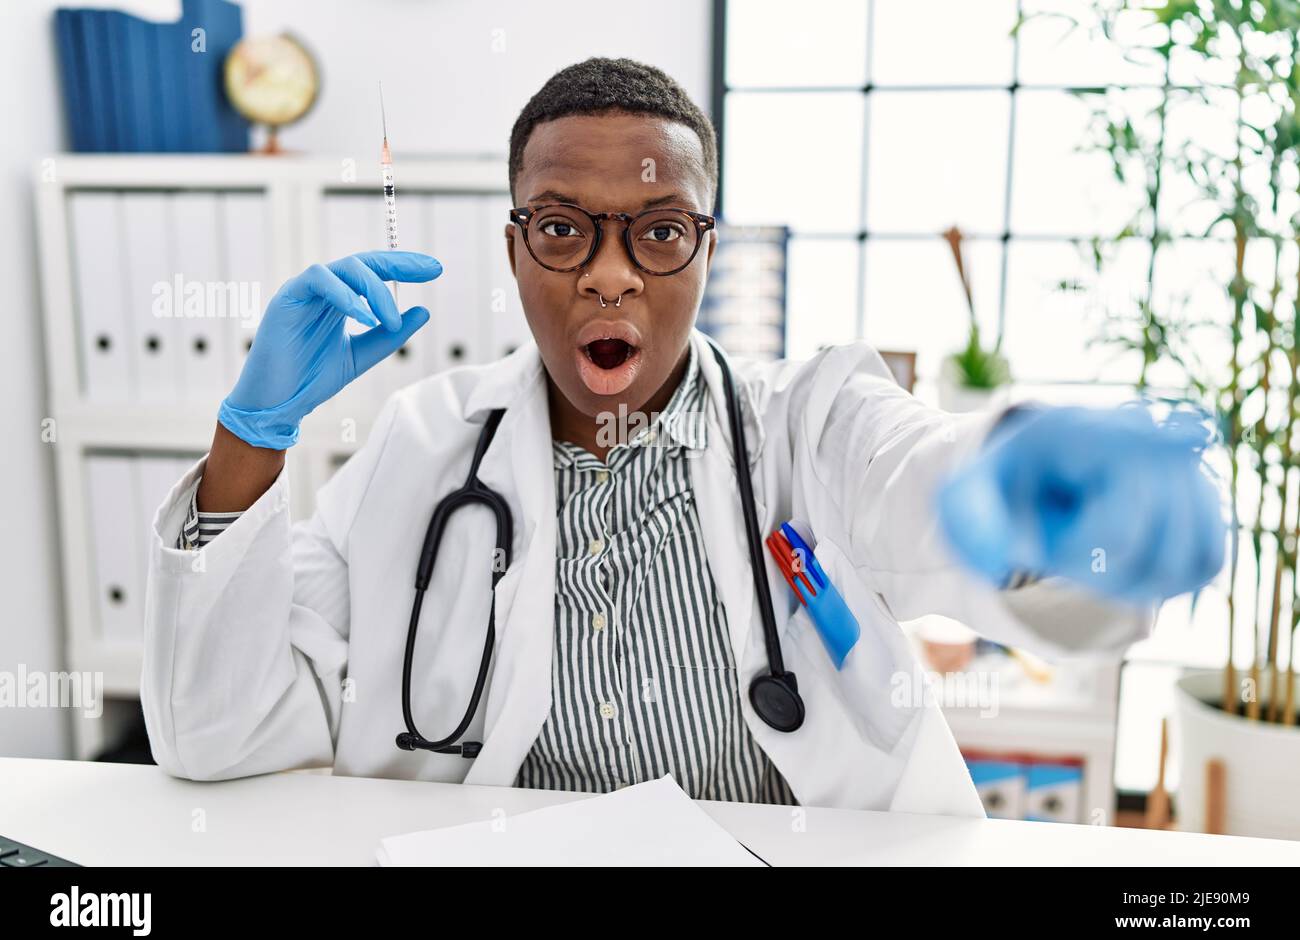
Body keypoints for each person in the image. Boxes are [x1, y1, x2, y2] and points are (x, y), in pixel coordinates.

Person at [140, 58, 1224, 814]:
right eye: (562, 228)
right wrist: (252, 436)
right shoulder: (420, 447)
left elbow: (928, 485)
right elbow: (216, 735)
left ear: (706, 250)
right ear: (514, 248)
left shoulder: (814, 420)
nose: (610, 274)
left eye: (659, 232)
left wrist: (1057, 505)